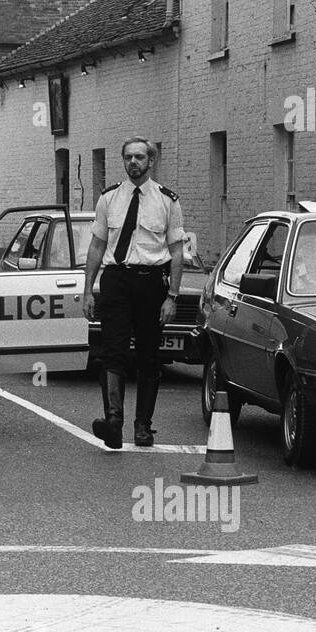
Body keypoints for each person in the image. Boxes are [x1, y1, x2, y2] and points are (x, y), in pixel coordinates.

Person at [82, 138, 185, 448]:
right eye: (128, 157)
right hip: (116, 280)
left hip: (151, 282)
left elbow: (177, 252)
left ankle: (143, 426)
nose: (133, 162)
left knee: (148, 355)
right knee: (112, 351)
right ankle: (114, 421)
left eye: (139, 157)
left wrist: (173, 297)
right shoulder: (109, 198)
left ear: (150, 162)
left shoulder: (167, 200)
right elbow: (97, 245)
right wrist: (88, 289)